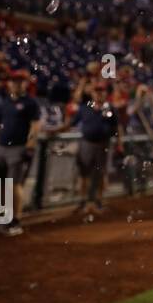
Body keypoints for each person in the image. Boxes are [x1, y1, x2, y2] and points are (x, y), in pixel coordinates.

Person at [0, 74, 43, 235]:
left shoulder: (30, 103)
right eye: (14, 81)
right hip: (2, 147)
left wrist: (30, 145)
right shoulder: (5, 102)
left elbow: (35, 125)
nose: (17, 84)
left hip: (18, 148)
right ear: (9, 83)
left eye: (20, 82)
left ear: (24, 84)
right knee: (1, 185)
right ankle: (2, 218)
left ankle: (15, 220)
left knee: (14, 185)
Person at [62, 82, 122, 213]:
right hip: (86, 143)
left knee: (100, 175)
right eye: (97, 91)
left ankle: (98, 201)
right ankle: (83, 201)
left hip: (103, 144)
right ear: (92, 93)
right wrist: (57, 130)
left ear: (105, 93)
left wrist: (119, 144)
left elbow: (118, 127)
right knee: (84, 174)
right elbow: (72, 122)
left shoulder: (110, 108)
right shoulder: (86, 107)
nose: (99, 93)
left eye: (101, 91)